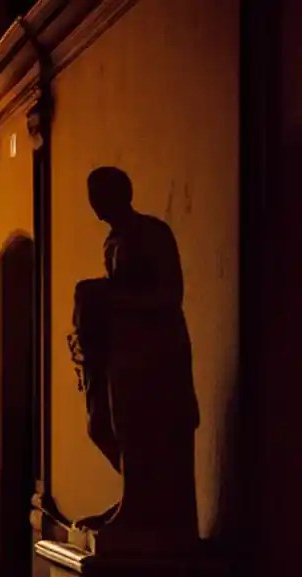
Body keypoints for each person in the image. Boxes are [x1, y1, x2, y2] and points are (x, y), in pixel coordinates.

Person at [69, 167, 199, 546]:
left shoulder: (151, 233)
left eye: (98, 193)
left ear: (119, 194)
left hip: (155, 354)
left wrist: (110, 300)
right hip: (123, 352)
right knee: (104, 425)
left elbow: (168, 295)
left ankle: (142, 510)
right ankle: (135, 499)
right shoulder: (114, 240)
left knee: (139, 428)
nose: (93, 203)